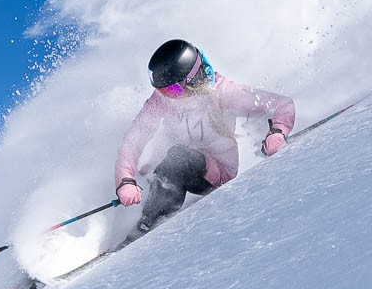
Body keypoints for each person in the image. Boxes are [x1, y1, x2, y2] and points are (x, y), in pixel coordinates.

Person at [114, 39, 296, 234]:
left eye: (172, 89)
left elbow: (282, 105)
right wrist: (126, 180)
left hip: (217, 171)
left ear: (192, 80)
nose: (167, 95)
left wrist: (277, 132)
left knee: (179, 157)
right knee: (149, 172)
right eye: (162, 90)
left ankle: (150, 222)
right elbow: (133, 139)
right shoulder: (163, 99)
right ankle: (135, 218)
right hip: (173, 168)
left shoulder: (225, 93)